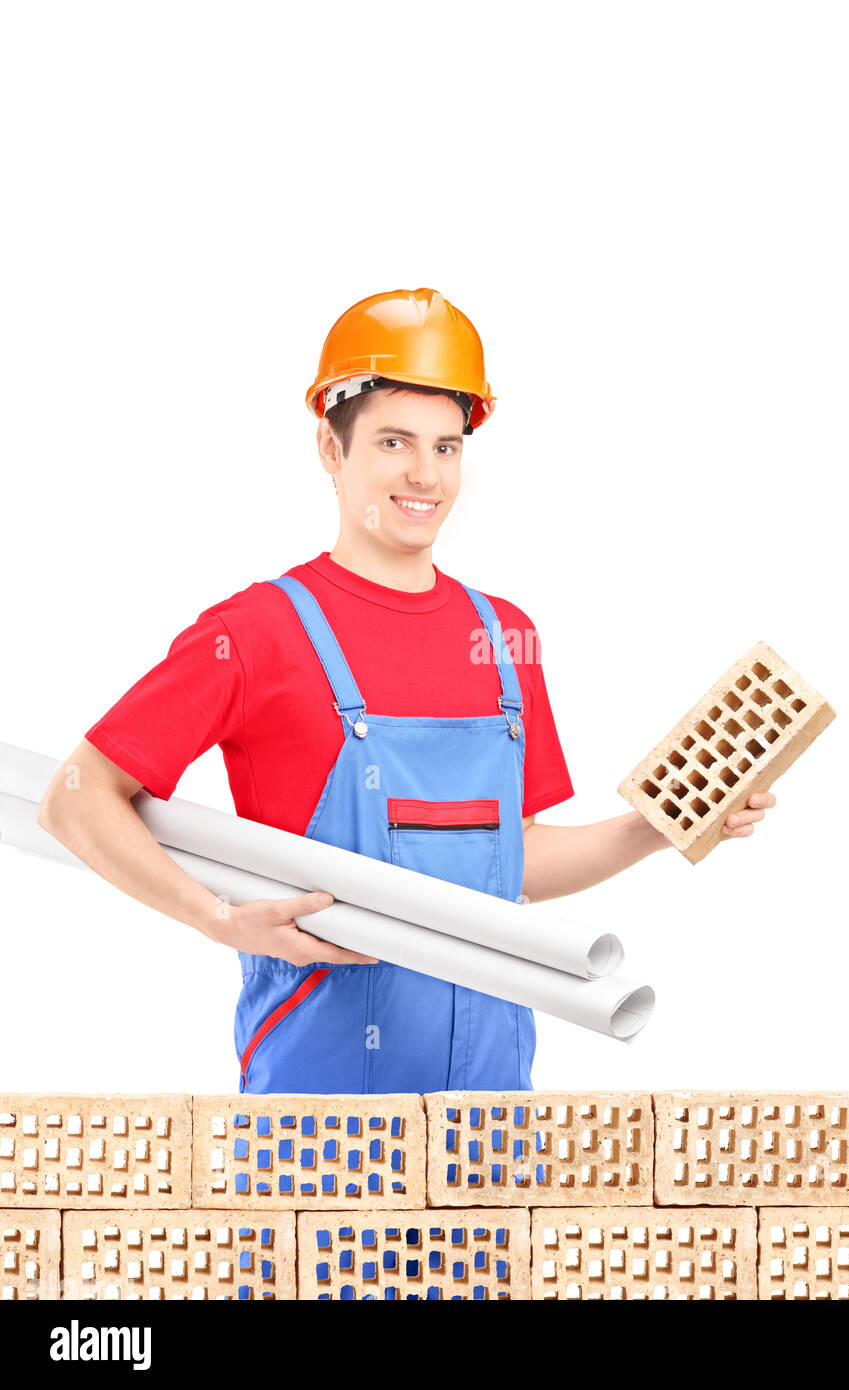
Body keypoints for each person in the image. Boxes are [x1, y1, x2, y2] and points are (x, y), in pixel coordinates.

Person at [37, 287, 776, 1094]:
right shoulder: (254, 633)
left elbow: (512, 863)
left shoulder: (502, 638)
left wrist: (655, 828)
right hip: (315, 1115)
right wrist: (217, 919)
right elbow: (76, 800)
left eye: (447, 446)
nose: (425, 475)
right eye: (394, 441)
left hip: (489, 1106)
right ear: (330, 444)